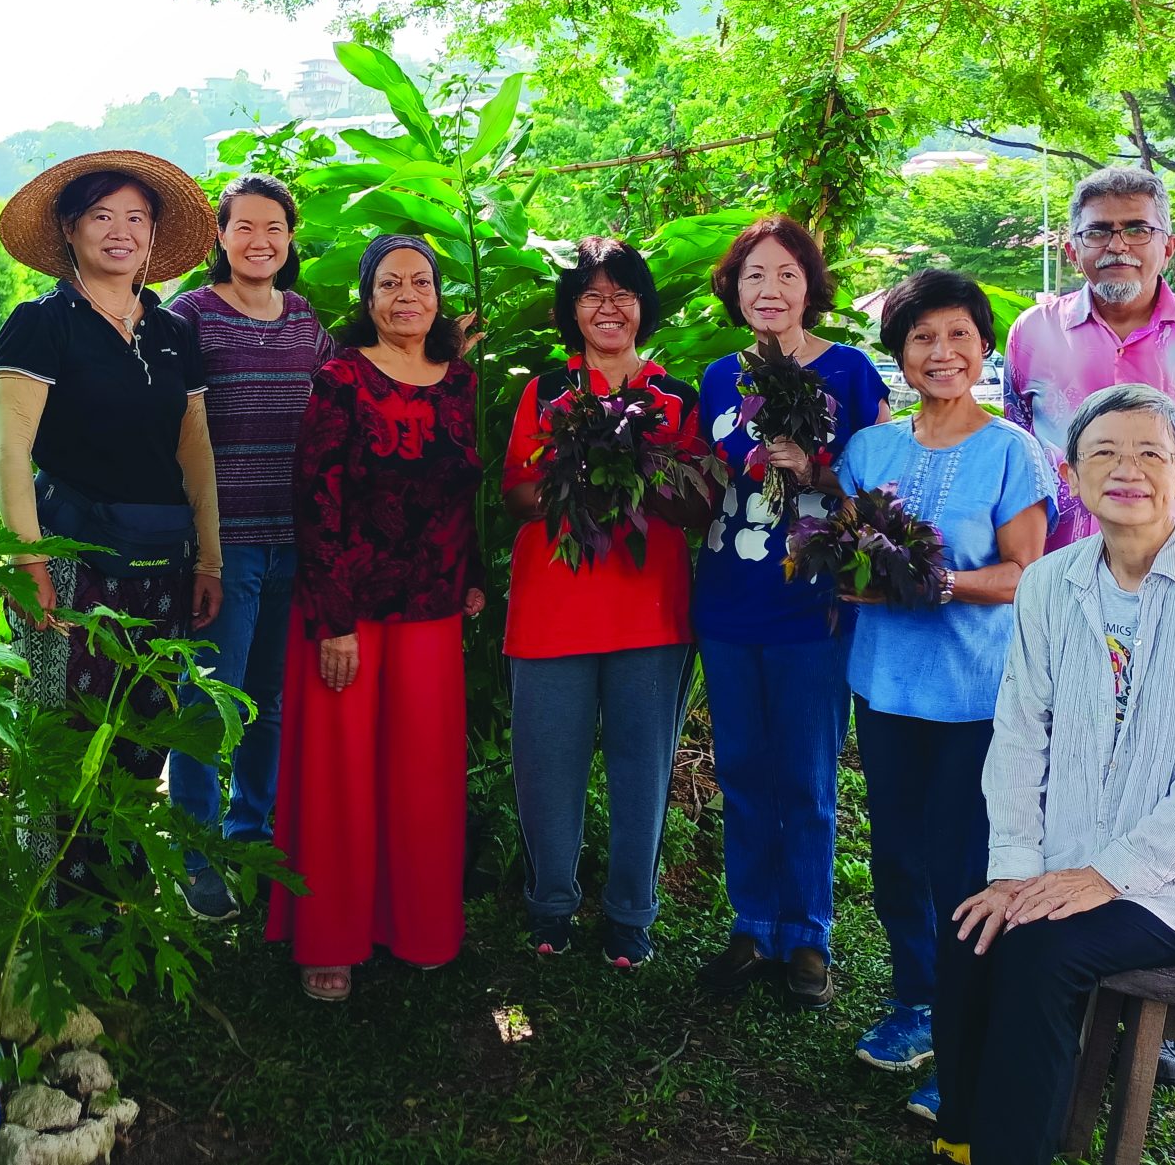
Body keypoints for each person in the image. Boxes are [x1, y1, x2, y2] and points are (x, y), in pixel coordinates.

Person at [935, 384, 1175, 1165]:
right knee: (972, 928)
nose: (1127, 469)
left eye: (1150, 452)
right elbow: (1021, 730)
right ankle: (963, 1134)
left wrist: (1111, 873)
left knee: (1040, 952)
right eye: (1104, 452)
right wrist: (1017, 869)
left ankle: (1011, 1151)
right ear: (1073, 473)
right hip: (1065, 854)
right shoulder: (1052, 583)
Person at [837, 268, 1056, 1123]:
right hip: (885, 687)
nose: (942, 351)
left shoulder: (1009, 450)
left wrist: (937, 583)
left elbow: (1024, 574)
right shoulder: (872, 450)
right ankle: (915, 1003)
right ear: (899, 352)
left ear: (983, 345)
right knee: (895, 854)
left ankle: (967, 1032)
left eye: (959, 334)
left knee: (961, 868)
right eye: (923, 336)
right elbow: (852, 552)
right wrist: (851, 576)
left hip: (974, 696)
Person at [0, 149, 222, 907]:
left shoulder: (172, 333)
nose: (120, 232)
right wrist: (27, 559)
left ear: (154, 237)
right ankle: (43, 921)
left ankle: (116, 903)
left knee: (135, 739)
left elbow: (195, 449)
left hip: (162, 565)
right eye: (102, 216)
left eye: (136, 219)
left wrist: (211, 560)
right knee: (59, 743)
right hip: (68, 566)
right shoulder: (40, 326)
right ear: (70, 228)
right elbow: (10, 450)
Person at [266, 234, 484, 1003]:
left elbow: (464, 488)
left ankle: (417, 925)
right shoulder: (339, 379)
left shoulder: (458, 382)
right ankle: (331, 939)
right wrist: (333, 620)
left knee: (421, 773)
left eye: (420, 282)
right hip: (347, 611)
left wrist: (473, 576)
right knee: (340, 778)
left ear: (436, 296)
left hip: (430, 607)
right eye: (389, 283)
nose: (406, 296)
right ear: (367, 298)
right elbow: (315, 501)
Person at [692, 215, 890, 1008]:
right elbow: (709, 482)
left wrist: (819, 468)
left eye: (785, 275)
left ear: (810, 286)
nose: (769, 290)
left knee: (807, 774)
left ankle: (808, 935)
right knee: (742, 766)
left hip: (816, 602)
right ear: (734, 291)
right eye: (753, 277)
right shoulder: (715, 377)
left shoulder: (849, 371)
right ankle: (753, 923)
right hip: (730, 597)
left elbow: (880, 491)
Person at [503, 237, 712, 970]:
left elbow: (698, 505)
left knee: (641, 766)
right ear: (572, 310)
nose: (608, 307)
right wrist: (574, 476)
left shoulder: (675, 398)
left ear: (643, 306)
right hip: (550, 612)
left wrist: (644, 475)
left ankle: (630, 914)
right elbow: (516, 496)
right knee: (545, 767)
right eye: (592, 295)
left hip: (649, 615)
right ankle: (551, 905)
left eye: (622, 294)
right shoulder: (544, 393)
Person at [161, 175, 335, 921]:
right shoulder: (189, 316)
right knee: (206, 702)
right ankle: (195, 855)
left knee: (268, 702)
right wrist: (199, 549)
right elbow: (164, 426)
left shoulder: (304, 320)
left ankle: (251, 835)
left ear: (291, 240)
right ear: (220, 238)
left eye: (275, 228)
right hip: (221, 549)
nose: (260, 240)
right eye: (245, 227)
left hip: (293, 542)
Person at [1006, 165, 1175, 555]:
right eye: (1098, 231)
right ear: (1073, 252)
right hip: (1063, 579)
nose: (1117, 245)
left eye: (1137, 229)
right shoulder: (1033, 335)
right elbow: (1020, 464)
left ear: (1169, 248)